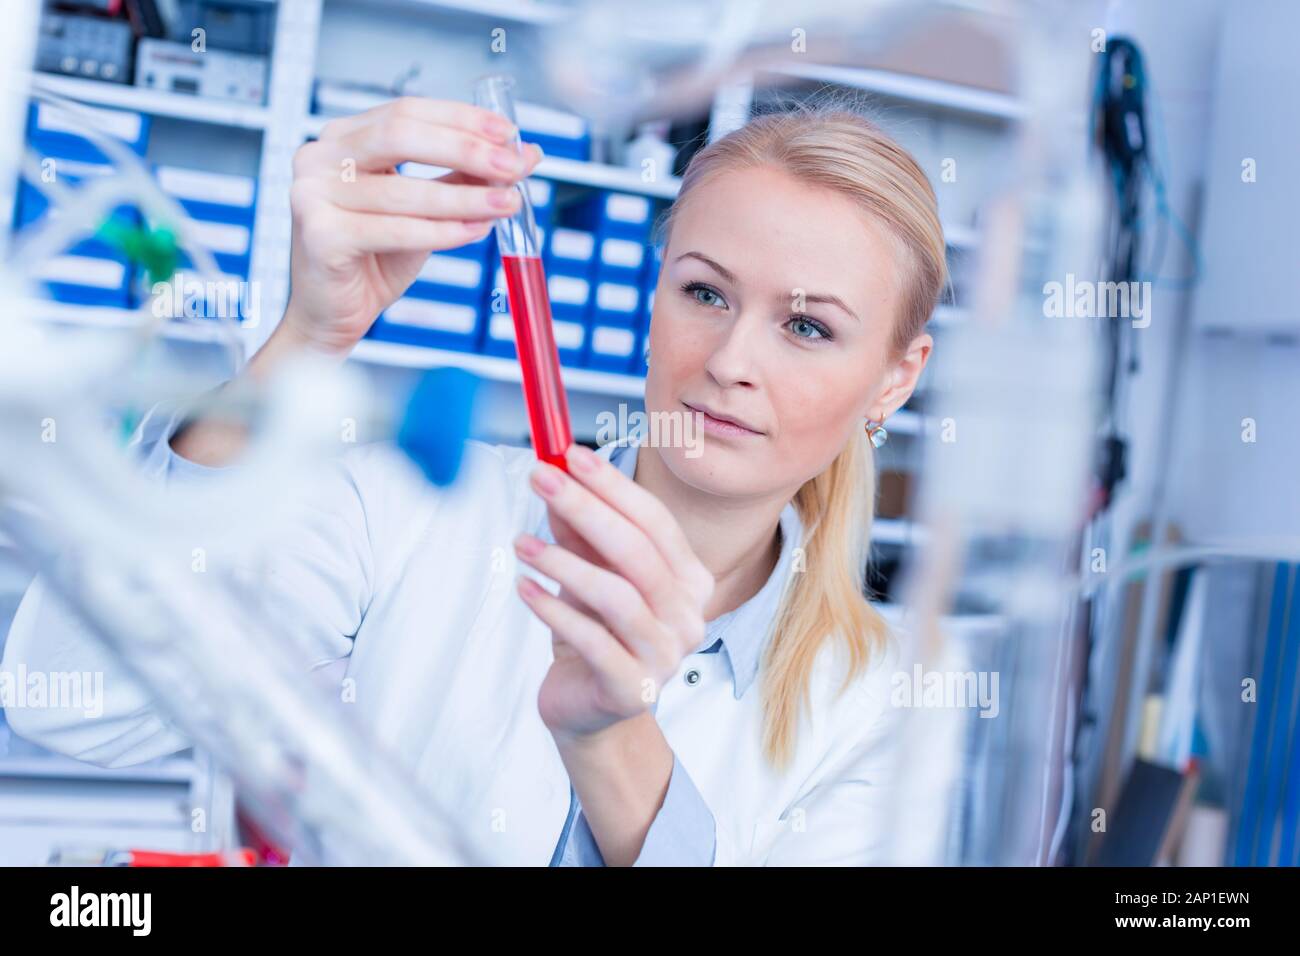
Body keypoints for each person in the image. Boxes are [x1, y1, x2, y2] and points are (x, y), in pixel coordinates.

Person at [2, 95, 942, 866]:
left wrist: (610, 734)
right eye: (705, 291)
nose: (732, 359)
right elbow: (70, 708)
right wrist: (306, 344)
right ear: (653, 299)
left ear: (896, 379)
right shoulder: (410, 507)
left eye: (807, 326)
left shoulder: (889, 705)